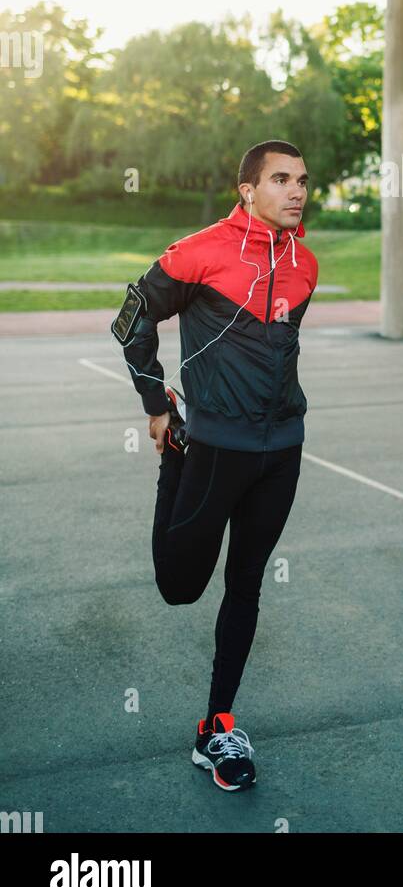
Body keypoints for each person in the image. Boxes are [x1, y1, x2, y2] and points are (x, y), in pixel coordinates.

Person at [111, 140, 317, 791]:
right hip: (215, 447)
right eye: (280, 179)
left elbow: (278, 355)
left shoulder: (306, 264)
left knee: (248, 581)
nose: (296, 191)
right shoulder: (199, 252)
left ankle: (217, 727)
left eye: (303, 181)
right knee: (181, 587)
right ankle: (172, 462)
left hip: (282, 448)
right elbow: (133, 317)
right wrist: (157, 401)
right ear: (247, 190)